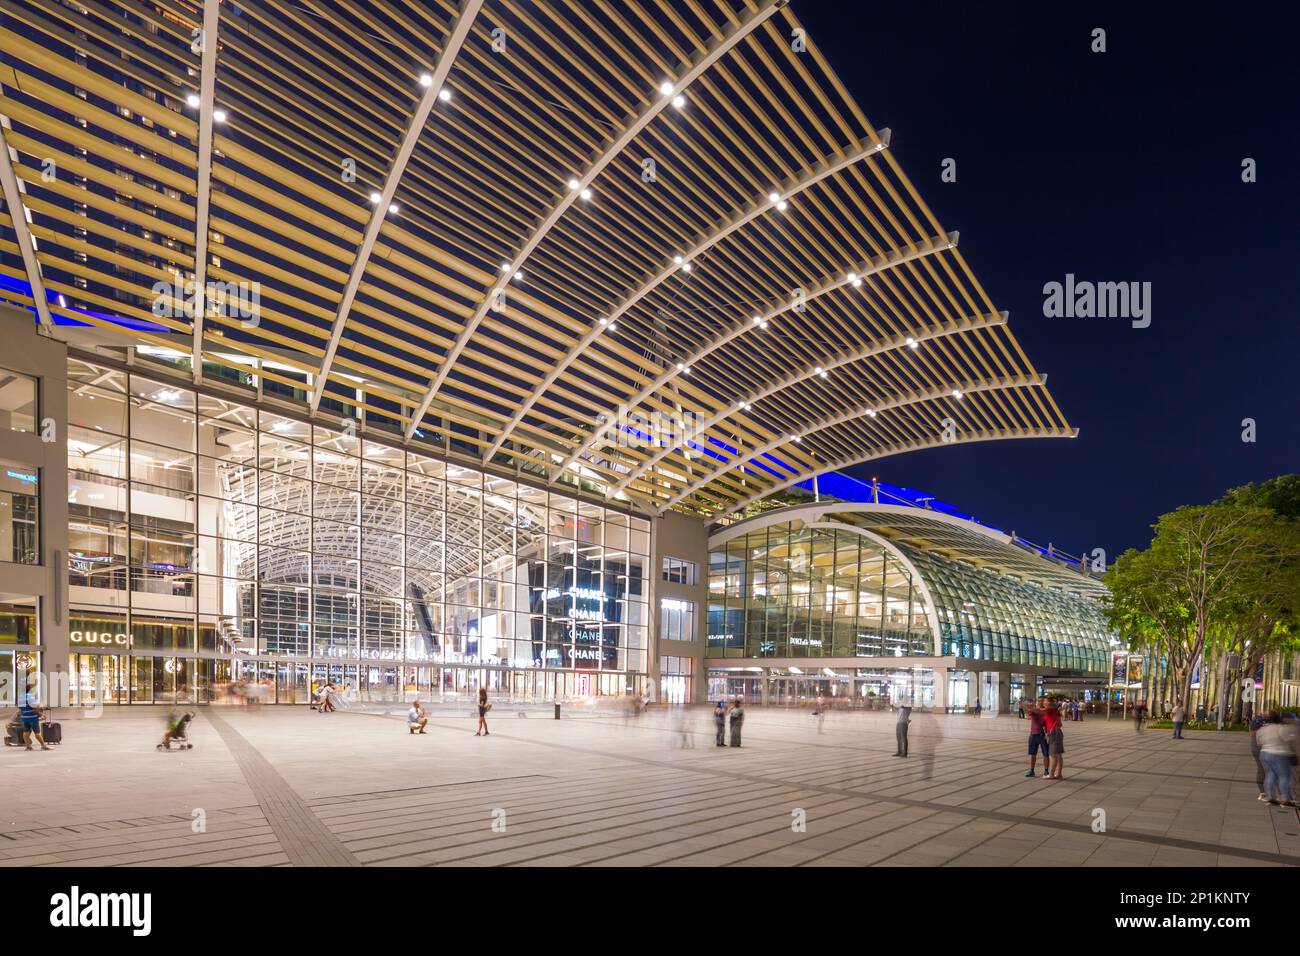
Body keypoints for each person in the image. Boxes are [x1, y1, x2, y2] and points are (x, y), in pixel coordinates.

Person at [1257, 711, 1295, 806]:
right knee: (1284, 776)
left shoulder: (1262, 729)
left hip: (1265, 753)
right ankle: (1286, 798)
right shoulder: (1281, 728)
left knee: (1270, 775)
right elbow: (1288, 740)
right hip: (1279, 754)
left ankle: (1270, 796)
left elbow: (1259, 742)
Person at [14, 686, 49, 751]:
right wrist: (41, 712)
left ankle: (28, 747)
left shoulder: (20, 697)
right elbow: (35, 706)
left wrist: (18, 714)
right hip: (32, 718)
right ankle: (43, 746)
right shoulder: (29, 696)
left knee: (26, 732)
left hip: (25, 718)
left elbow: (20, 708)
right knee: (37, 733)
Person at [1024, 696, 1049, 777]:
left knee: (1046, 754)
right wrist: (1026, 707)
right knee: (1032, 753)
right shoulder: (1035, 710)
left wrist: (1030, 707)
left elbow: (1040, 712)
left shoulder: (1045, 711)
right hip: (1033, 734)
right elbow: (1027, 712)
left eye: (1041, 701)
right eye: (1038, 701)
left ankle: (1046, 771)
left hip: (1042, 735)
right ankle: (1031, 770)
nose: (1039, 702)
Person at [1043, 697, 1065, 779]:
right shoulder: (1055, 710)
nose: (1044, 702)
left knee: (1053, 755)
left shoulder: (1049, 710)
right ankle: (1059, 774)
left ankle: (1051, 774)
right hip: (1058, 732)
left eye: (1046, 701)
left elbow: (1038, 711)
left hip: (1054, 733)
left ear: (1050, 703)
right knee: (1058, 755)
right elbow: (1060, 723)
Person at [1249, 710, 1269, 800]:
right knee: (1264, 770)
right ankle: (1264, 792)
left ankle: (1264, 792)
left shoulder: (1256, 721)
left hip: (1259, 749)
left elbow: (1252, 734)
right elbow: (1252, 734)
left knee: (1263, 770)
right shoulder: (1259, 721)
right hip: (1261, 749)